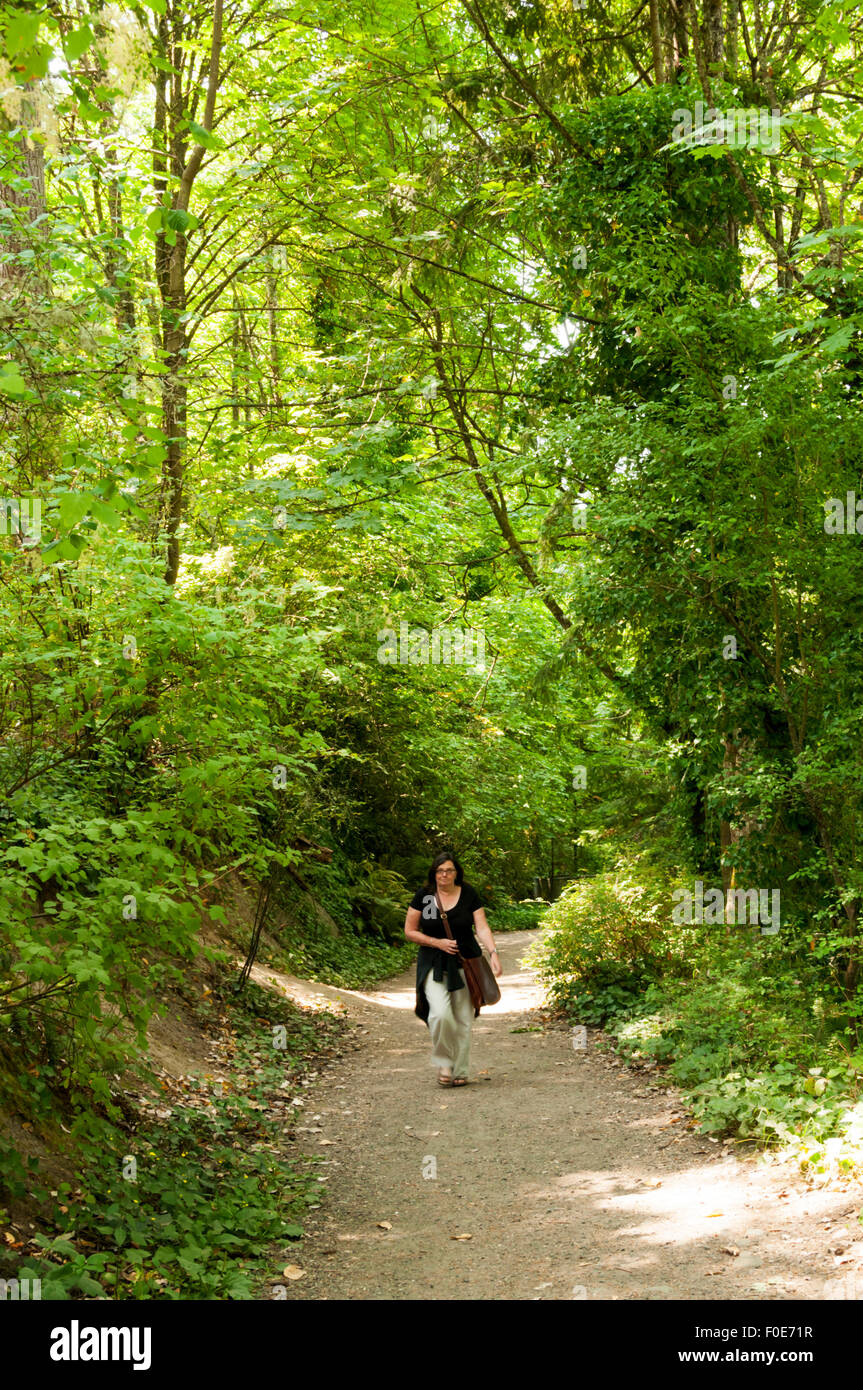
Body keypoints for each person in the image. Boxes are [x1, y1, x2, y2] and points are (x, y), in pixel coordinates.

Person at [404, 851, 502, 1087]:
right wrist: (436, 942)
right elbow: (410, 931)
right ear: (434, 873)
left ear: (456, 873)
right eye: (440, 871)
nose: (444, 875)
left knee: (463, 1020)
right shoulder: (425, 896)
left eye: (449, 870)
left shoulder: (468, 894)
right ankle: (444, 1062)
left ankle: (460, 1071)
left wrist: (493, 953)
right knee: (439, 1014)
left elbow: (482, 927)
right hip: (433, 963)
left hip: (466, 962)